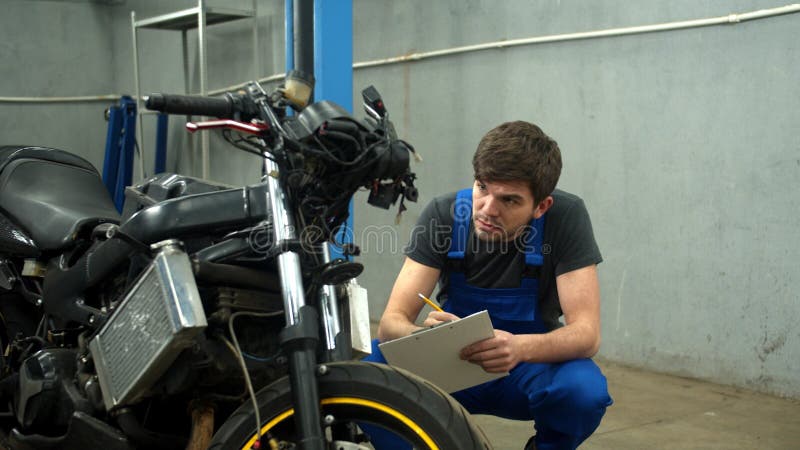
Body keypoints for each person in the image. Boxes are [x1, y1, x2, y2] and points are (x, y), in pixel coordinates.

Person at [363, 121, 613, 450]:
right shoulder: (445, 214)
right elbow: (392, 320)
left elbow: (586, 333)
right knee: (367, 375)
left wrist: (518, 347)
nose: (487, 210)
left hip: (525, 367)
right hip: (450, 362)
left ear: (541, 206)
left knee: (583, 391)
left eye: (509, 201)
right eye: (482, 188)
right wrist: (427, 338)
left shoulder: (566, 218)